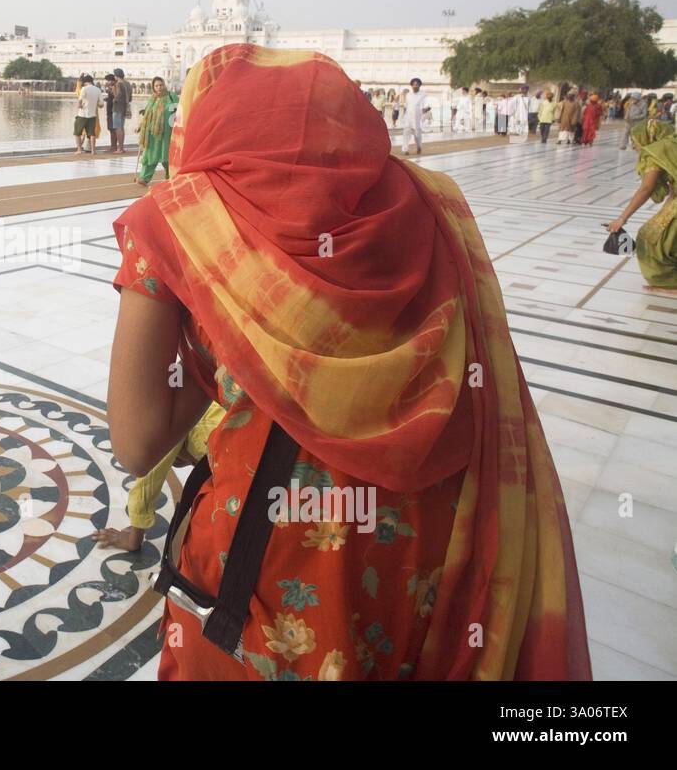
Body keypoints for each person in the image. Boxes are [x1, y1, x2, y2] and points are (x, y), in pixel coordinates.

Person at [107, 43, 590, 681]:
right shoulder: (429, 200)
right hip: (425, 544)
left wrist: (223, 344)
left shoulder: (180, 220)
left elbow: (137, 441)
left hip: (270, 553)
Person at [93, 403, 226, 552]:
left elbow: (147, 483)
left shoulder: (169, 423)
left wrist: (133, 539)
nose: (178, 464)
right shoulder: (201, 400)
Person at [607, 119, 677, 291]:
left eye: (635, 141)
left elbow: (646, 188)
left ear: (647, 137)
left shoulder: (656, 151)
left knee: (649, 238)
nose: (634, 146)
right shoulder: (672, 144)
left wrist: (622, 218)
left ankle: (669, 282)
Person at [134, 76, 177, 185]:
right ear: (153, 87)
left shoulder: (172, 97)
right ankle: (144, 178)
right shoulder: (152, 99)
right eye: (156, 86)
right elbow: (147, 115)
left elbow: (179, 112)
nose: (159, 88)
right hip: (152, 133)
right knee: (149, 155)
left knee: (167, 157)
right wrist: (140, 126)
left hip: (167, 132)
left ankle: (170, 176)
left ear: (164, 85)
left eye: (161, 85)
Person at [73, 74, 104, 155]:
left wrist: (79, 105)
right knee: (92, 133)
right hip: (92, 115)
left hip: (82, 115)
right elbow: (101, 104)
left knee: (77, 132)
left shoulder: (84, 89)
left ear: (85, 82)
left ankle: (79, 149)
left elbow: (80, 99)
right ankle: (93, 151)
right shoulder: (98, 90)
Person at [400, 77, 431, 156]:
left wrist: (425, 109)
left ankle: (419, 147)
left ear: (419, 86)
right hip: (408, 117)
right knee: (406, 132)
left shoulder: (424, 95)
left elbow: (428, 105)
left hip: (418, 118)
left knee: (417, 135)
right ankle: (405, 149)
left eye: (416, 85)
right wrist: (403, 116)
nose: (415, 86)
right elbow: (406, 106)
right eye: (413, 85)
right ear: (411, 86)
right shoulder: (408, 95)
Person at [110, 67, 133, 153]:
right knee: (121, 127)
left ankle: (119, 148)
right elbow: (130, 98)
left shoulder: (118, 83)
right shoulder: (128, 83)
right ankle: (121, 148)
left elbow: (118, 94)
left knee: (117, 128)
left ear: (116, 75)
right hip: (124, 108)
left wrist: (114, 99)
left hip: (117, 108)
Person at [102, 74, 117, 151]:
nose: (108, 82)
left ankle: (113, 147)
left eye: (108, 80)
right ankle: (113, 146)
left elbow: (116, 98)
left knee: (112, 129)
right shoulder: (113, 87)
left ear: (112, 80)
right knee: (112, 129)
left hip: (112, 111)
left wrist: (110, 89)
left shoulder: (114, 87)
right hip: (110, 110)